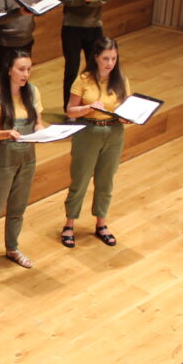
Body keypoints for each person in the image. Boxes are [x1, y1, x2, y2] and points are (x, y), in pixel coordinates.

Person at [61, 37, 130, 248]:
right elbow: (70, 110)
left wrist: (128, 116)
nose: (110, 63)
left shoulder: (121, 80)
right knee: (80, 180)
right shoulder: (83, 79)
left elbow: (128, 107)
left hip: (114, 132)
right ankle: (69, 224)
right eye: (106, 58)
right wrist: (87, 108)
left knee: (106, 180)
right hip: (88, 132)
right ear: (96, 58)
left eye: (114, 58)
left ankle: (101, 223)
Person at [0, 50, 43, 277]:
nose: (26, 74)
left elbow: (38, 124)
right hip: (2, 160)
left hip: (27, 158)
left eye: (29, 68)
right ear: (9, 70)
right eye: (21, 69)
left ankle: (12, 248)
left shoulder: (33, 92)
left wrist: (47, 133)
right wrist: (6, 133)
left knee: (18, 208)